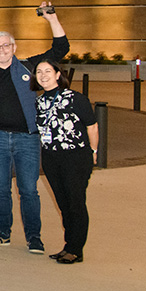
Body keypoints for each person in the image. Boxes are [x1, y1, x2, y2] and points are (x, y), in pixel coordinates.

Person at [0, 2, 68, 254]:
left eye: (6, 45)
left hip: (27, 140)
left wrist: (51, 18)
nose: (2, 50)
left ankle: (34, 238)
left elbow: (61, 48)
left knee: (29, 190)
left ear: (14, 48)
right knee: (0, 190)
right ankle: (2, 233)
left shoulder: (30, 67)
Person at [35, 59, 98, 264]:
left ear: (57, 75)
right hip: (52, 158)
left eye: (47, 71)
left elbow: (92, 127)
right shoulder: (40, 101)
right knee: (63, 203)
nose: (43, 75)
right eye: (39, 72)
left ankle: (76, 249)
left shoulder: (75, 98)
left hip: (75, 157)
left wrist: (94, 151)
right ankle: (69, 245)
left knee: (75, 202)